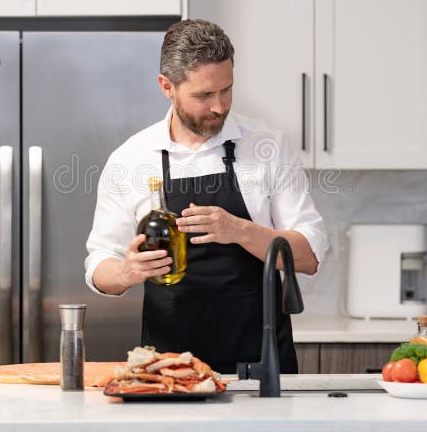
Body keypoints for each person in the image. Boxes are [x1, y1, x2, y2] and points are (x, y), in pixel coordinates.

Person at [84, 19, 328, 374]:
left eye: (226, 90)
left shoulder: (267, 146)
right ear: (166, 86)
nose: (219, 106)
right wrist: (125, 271)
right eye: (203, 96)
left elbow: (309, 256)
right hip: (169, 370)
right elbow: (99, 264)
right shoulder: (131, 158)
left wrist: (241, 231)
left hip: (259, 365)